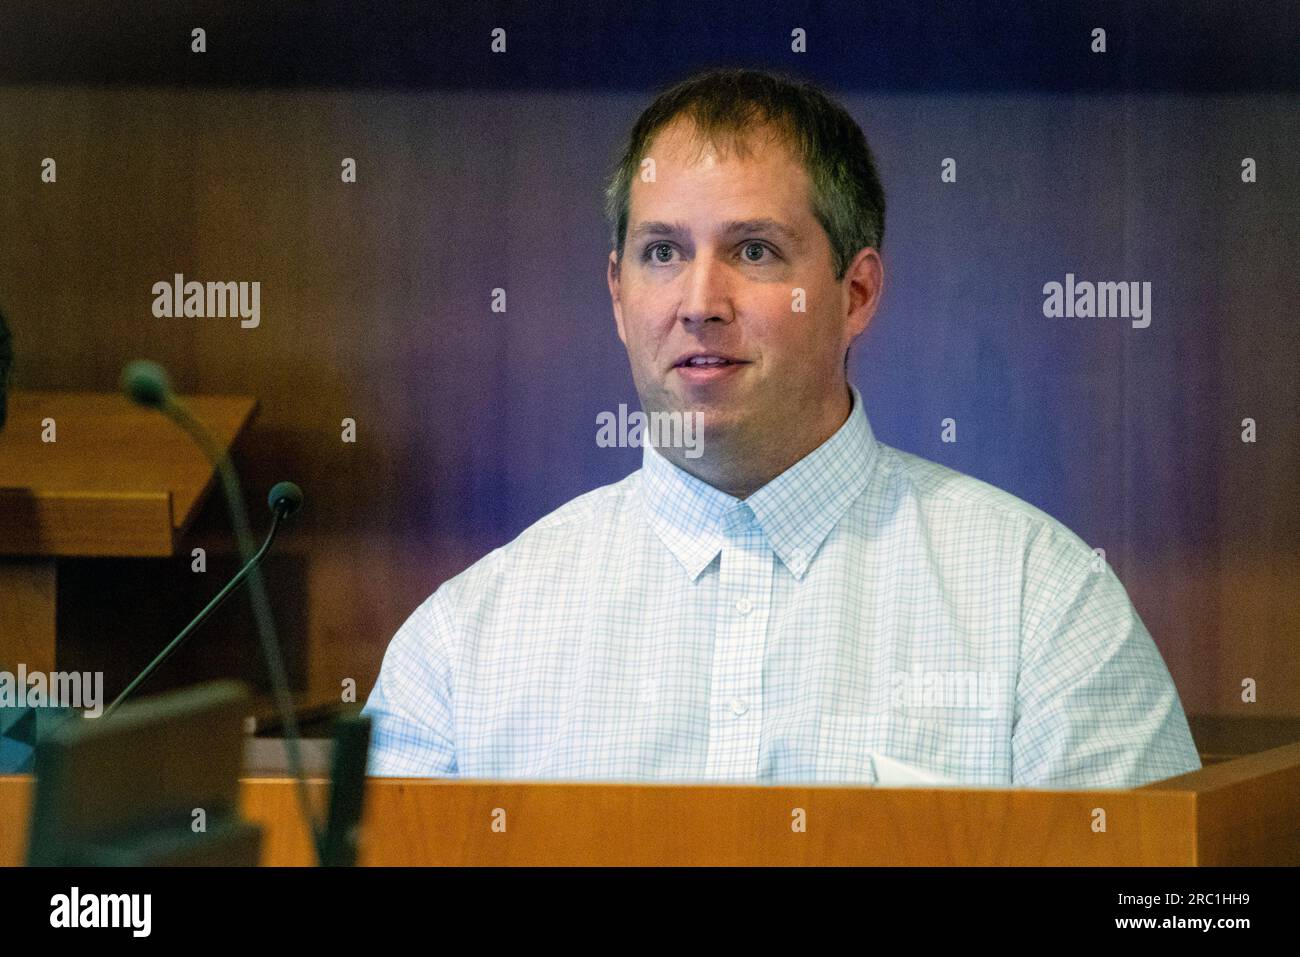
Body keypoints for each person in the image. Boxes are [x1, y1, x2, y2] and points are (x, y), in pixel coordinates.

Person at [362, 68, 1201, 788]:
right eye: (662, 253)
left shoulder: (1041, 604)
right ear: (618, 296)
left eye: (754, 250)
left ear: (857, 293)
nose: (700, 302)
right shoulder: (465, 642)